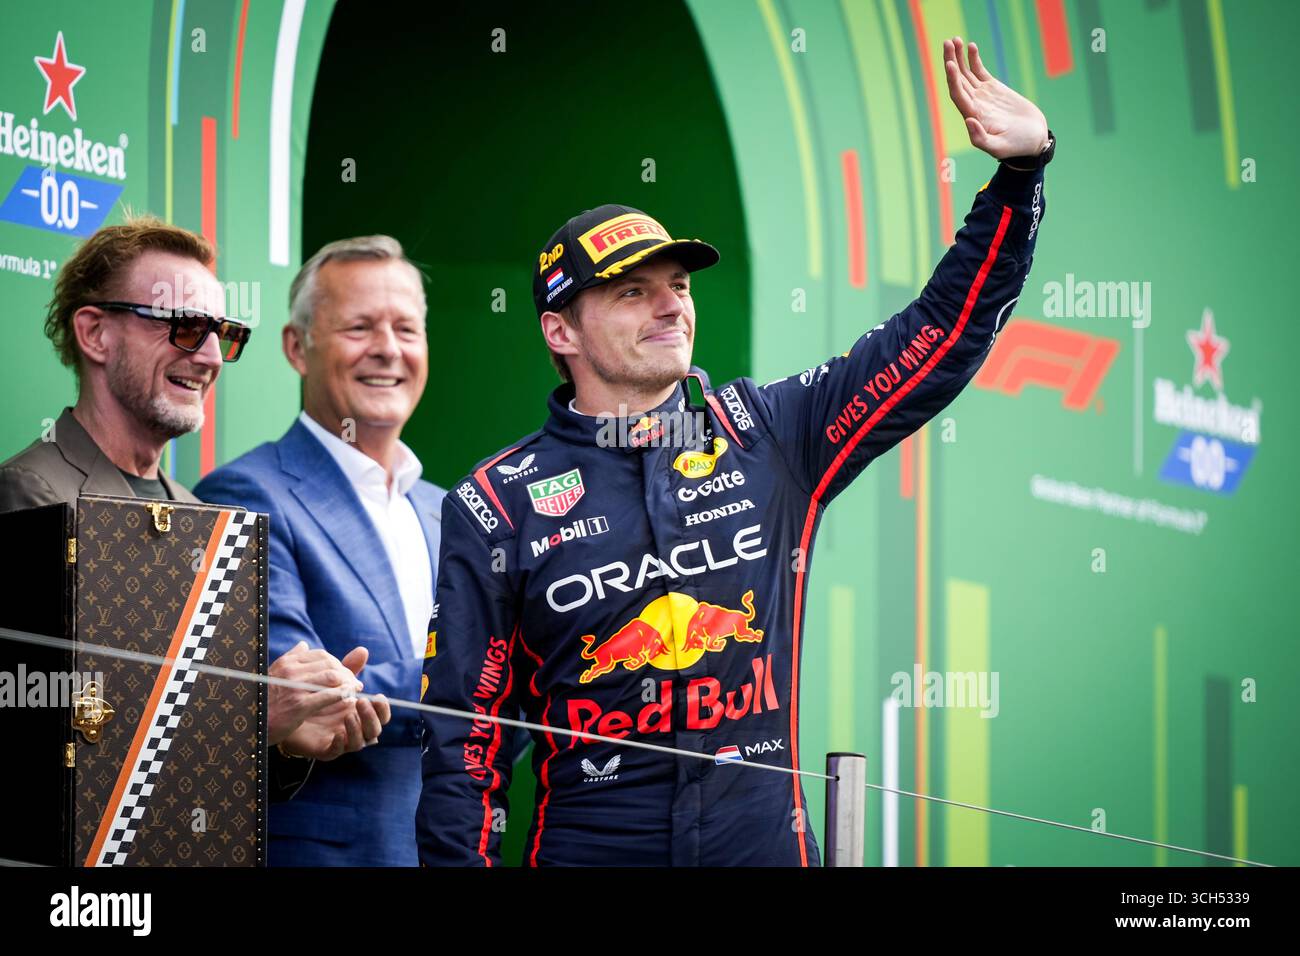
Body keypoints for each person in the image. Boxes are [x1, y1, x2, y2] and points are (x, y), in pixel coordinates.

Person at [417, 38, 1054, 866]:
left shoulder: (769, 432)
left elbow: (940, 332)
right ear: (560, 329)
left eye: (678, 285)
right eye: (631, 292)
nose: (670, 307)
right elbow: (465, 748)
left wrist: (1019, 181)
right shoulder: (495, 502)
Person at [0, 216, 383, 800]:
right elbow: (48, 743)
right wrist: (252, 717)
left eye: (220, 331)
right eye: (182, 326)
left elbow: (196, 788)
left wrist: (284, 739)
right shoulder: (31, 496)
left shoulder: (202, 515)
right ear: (95, 333)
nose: (210, 356)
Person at [196, 235, 445, 866]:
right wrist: (493, 679)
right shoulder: (245, 494)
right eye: (359, 327)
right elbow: (310, 694)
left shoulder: (447, 509)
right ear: (295, 347)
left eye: (406, 329)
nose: (388, 350)